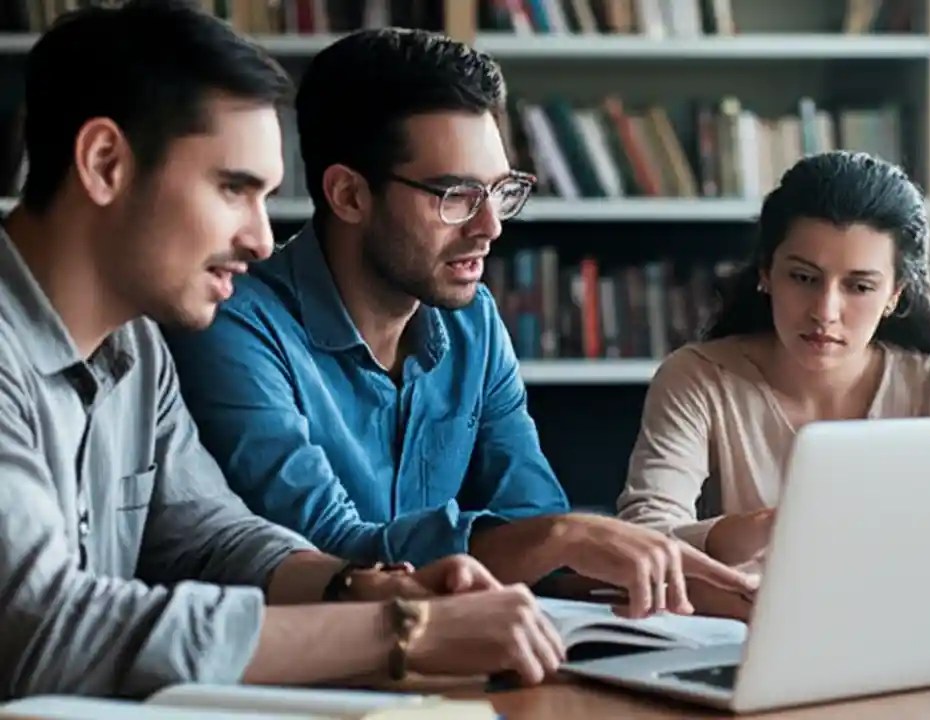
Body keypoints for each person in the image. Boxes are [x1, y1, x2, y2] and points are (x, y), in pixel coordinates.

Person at [0, 1, 572, 698]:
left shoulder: (138, 351)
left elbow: (214, 538)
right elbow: (44, 629)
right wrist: (399, 629)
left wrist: (360, 588)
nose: (263, 240)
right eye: (234, 190)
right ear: (105, 163)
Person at [162, 27, 756, 622]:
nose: (490, 227)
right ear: (348, 194)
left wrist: (671, 575)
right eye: (455, 196)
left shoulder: (474, 321)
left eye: (500, 192)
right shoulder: (234, 325)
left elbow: (532, 514)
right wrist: (554, 540)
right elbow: (329, 553)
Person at [616, 151, 930, 595]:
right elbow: (641, 541)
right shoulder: (698, 379)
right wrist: (755, 530)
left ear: (894, 295)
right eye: (804, 278)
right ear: (766, 272)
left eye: (859, 287)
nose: (826, 312)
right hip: (742, 639)